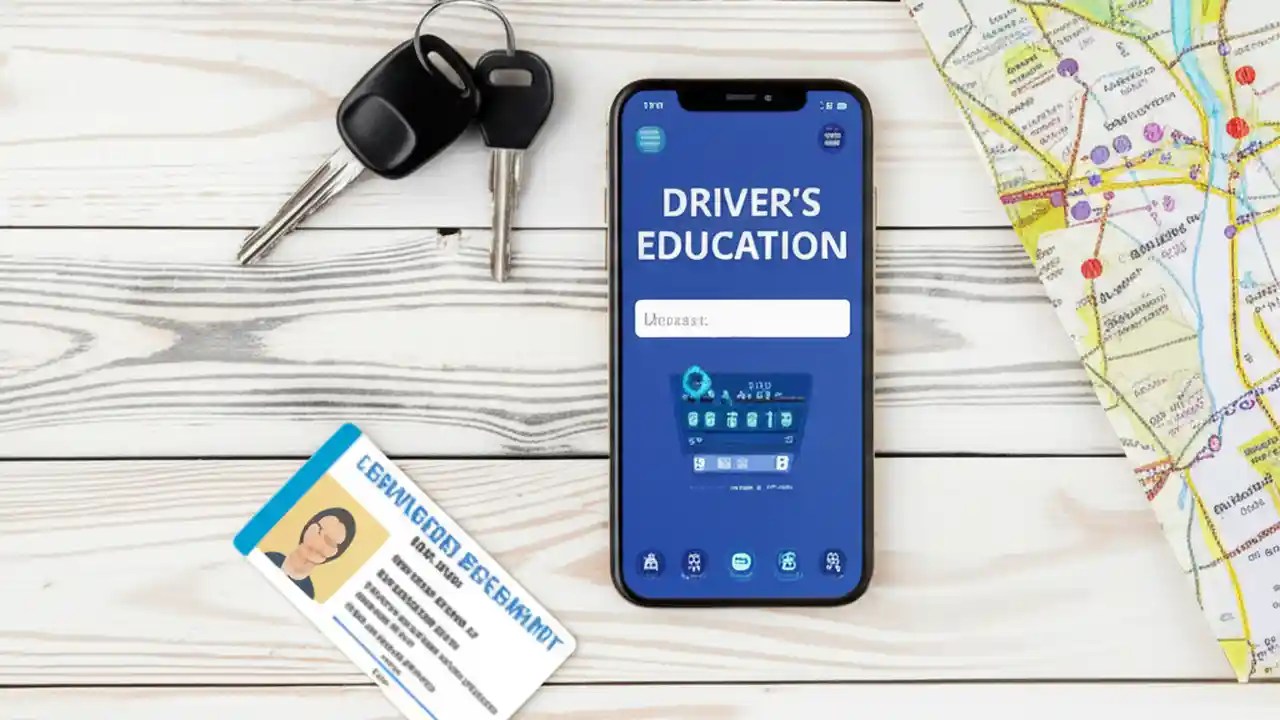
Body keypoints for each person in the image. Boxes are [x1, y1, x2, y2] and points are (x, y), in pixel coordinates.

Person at [266, 507, 357, 600]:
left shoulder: (307, 594)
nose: (320, 542)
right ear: (309, 525)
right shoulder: (269, 558)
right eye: (319, 531)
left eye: (330, 542)